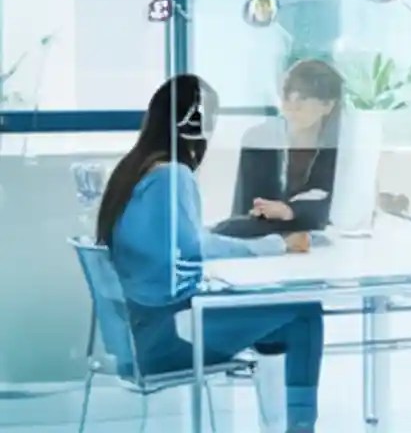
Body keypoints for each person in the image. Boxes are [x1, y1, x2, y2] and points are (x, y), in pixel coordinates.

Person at [97, 75, 322, 433]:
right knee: (303, 313)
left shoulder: (135, 170)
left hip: (139, 334)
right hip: (169, 340)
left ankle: (280, 422)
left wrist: (217, 235)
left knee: (276, 317)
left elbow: (175, 244)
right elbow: (195, 251)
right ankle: (299, 427)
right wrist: (278, 245)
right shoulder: (173, 175)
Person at [226, 60, 343, 233]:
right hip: (264, 238)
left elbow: (335, 205)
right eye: (288, 96)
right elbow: (247, 209)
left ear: (328, 105)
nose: (292, 106)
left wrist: (291, 211)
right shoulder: (260, 138)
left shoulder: (338, 147)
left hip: (317, 240)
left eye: (303, 98)